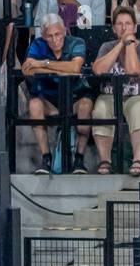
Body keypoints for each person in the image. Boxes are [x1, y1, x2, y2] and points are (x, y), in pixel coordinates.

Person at [91, 6, 140, 176]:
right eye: (120, 24)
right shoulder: (107, 46)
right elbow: (98, 70)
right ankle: (105, 160)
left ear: (135, 27)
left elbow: (133, 70)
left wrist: (129, 45)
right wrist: (120, 44)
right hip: (112, 96)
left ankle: (139, 160)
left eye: (128, 24)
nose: (124, 28)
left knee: (137, 108)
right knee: (101, 107)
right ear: (114, 29)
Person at [21, 14, 92, 175]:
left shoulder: (76, 43)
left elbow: (75, 68)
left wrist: (43, 63)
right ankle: (46, 158)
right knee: (34, 104)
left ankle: (79, 160)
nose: (54, 39)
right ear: (44, 36)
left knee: (86, 105)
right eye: (49, 36)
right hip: (49, 99)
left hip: (75, 97)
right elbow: (28, 69)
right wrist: (59, 69)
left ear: (64, 31)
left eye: (57, 34)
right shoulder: (38, 45)